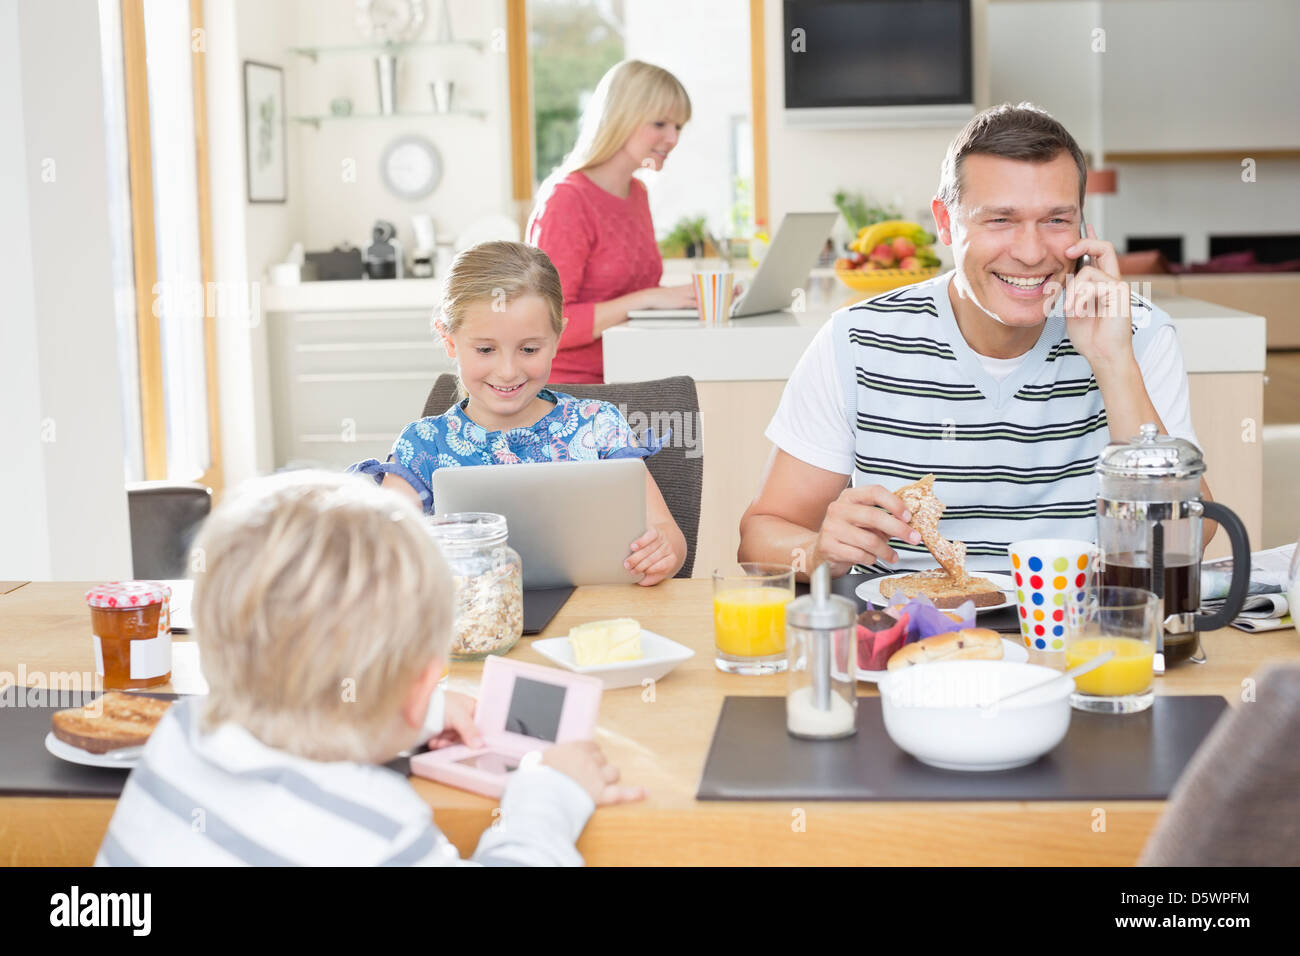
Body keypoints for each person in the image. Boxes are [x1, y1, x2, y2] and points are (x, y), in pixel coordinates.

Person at [738, 103, 1216, 579]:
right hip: (904, 640)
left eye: (1055, 220)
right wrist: (820, 551)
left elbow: (1178, 539)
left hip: (1080, 636)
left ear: (1083, 227)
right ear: (945, 223)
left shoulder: (1139, 334)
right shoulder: (857, 340)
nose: (1031, 253)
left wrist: (1113, 362)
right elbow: (760, 537)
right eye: (1000, 220)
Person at [96, 470, 643, 866]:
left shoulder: (178, 736)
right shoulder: (380, 827)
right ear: (425, 678)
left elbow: (294, 682)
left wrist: (419, 708)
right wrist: (547, 798)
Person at [353, 240, 687, 586]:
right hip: (471, 630)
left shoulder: (599, 425)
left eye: (529, 349)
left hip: (589, 622)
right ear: (450, 340)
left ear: (557, 338)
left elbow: (667, 533)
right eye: (485, 349)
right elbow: (383, 557)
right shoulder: (422, 447)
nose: (509, 371)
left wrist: (664, 553)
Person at [526, 59, 697, 384]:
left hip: (629, 374)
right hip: (572, 392)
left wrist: (684, 300)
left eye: (678, 127)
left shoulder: (637, 193)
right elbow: (546, 324)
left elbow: (629, 294)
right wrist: (649, 298)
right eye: (660, 123)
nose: (673, 138)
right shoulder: (568, 199)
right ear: (621, 118)